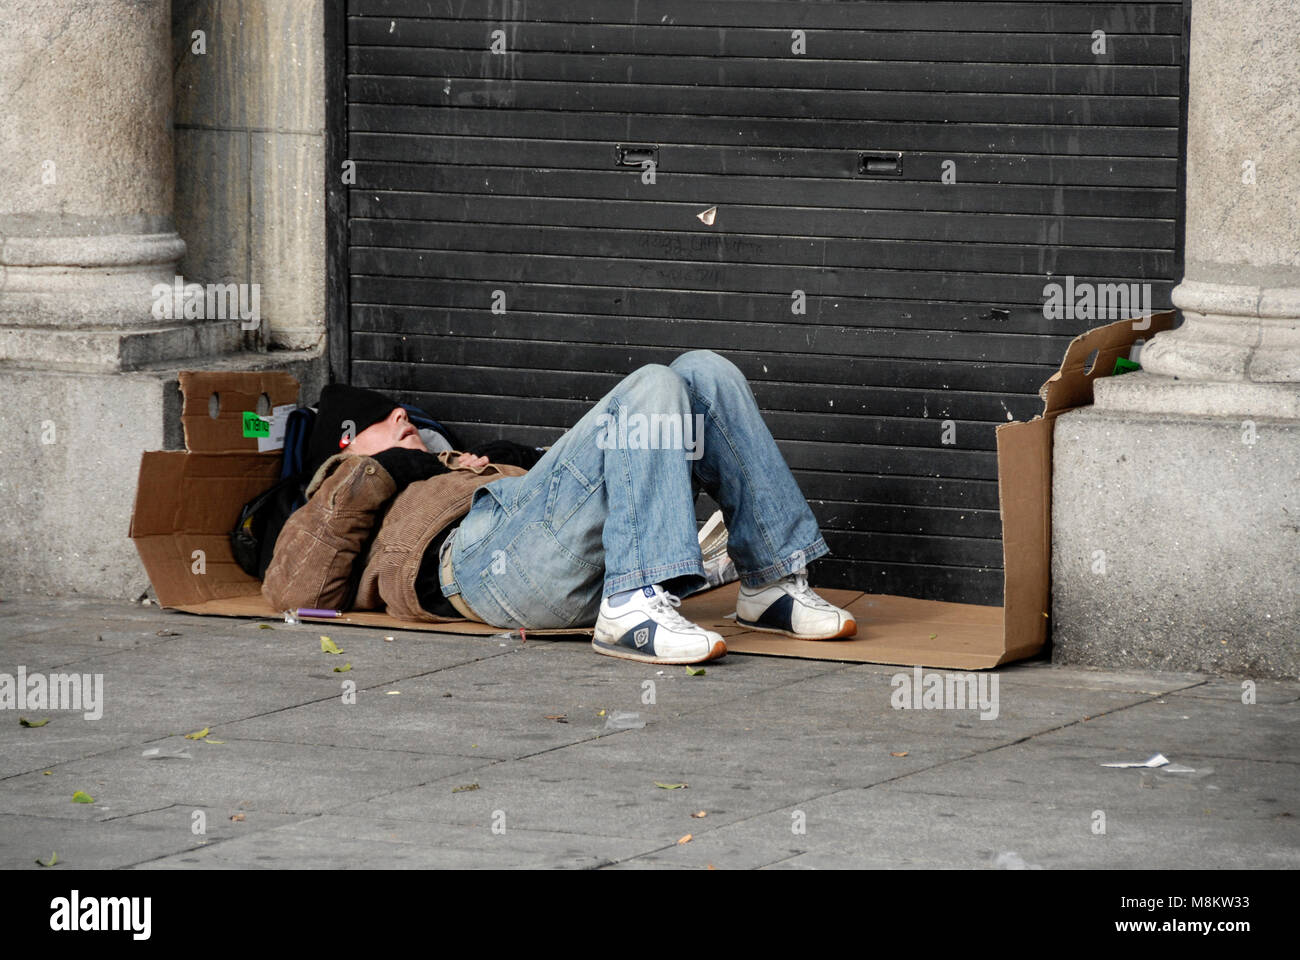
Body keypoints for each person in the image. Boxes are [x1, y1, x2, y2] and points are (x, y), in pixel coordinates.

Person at [263, 350, 856, 665]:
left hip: (555, 549)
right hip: (479, 567)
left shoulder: (470, 460)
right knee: (653, 382)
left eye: (399, 413)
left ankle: (770, 579)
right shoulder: (339, 489)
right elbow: (294, 593)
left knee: (704, 371)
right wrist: (378, 467)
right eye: (373, 424)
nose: (400, 416)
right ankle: (632, 610)